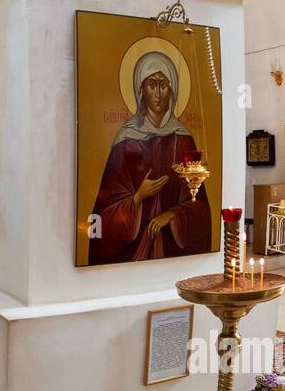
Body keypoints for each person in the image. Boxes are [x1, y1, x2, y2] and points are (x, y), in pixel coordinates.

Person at [88, 50, 212, 264]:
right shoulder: (126, 138)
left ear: (172, 89)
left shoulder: (183, 138)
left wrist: (173, 215)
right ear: (141, 90)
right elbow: (104, 209)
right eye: (151, 84)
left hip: (173, 249)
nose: (158, 93)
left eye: (163, 84)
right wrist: (138, 197)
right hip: (133, 249)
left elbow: (199, 204)